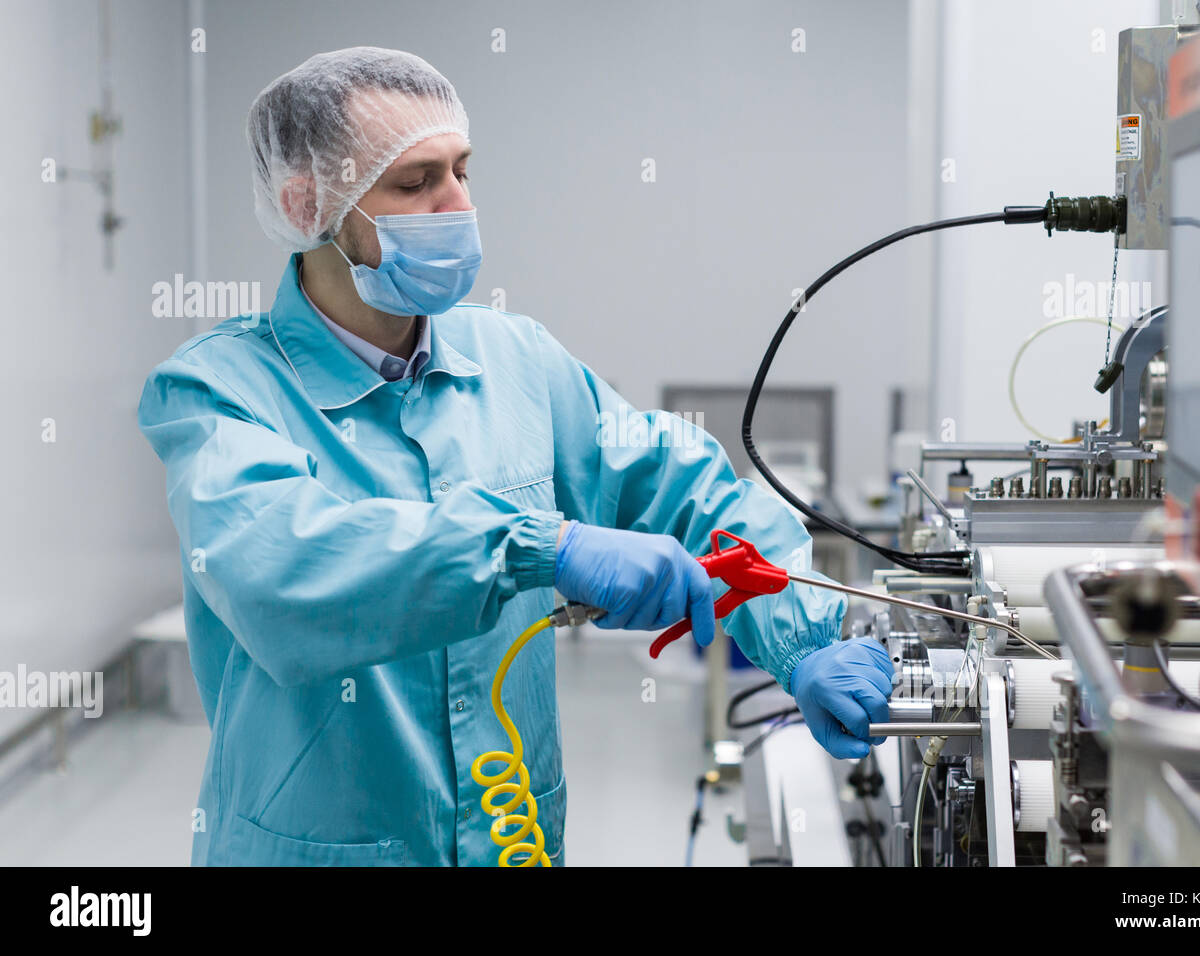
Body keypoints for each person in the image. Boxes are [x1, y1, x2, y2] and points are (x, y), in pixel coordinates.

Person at [137, 46, 893, 866]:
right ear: (309, 202)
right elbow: (285, 576)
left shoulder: (518, 362)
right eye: (415, 181)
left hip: (511, 843)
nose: (458, 204)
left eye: (463, 170)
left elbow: (690, 486)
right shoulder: (217, 391)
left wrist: (804, 638)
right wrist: (537, 547)